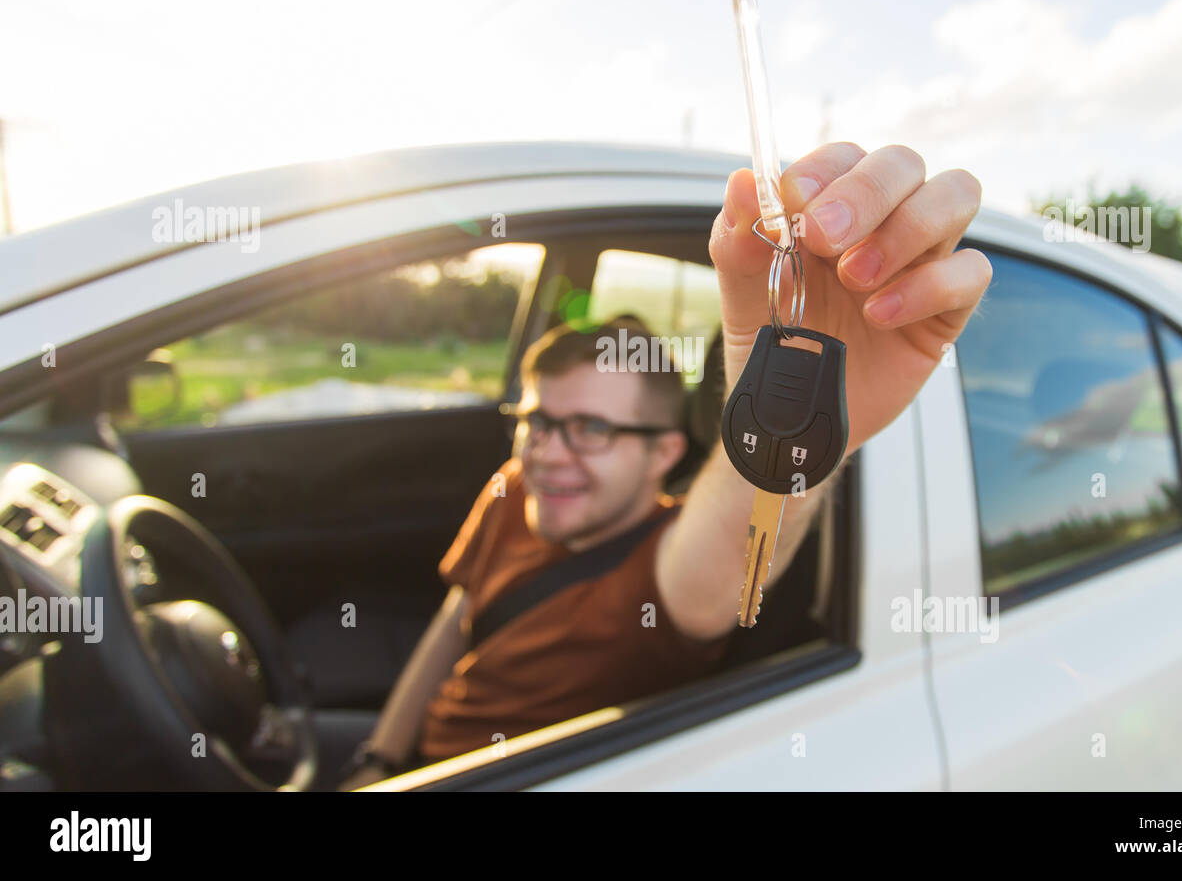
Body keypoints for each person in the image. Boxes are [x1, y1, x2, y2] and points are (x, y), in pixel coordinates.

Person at [339, 142, 990, 788]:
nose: (546, 450)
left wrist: (804, 420)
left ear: (665, 452)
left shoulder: (657, 573)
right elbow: (456, 620)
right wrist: (380, 758)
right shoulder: (514, 487)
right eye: (537, 420)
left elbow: (728, 556)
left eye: (590, 429)